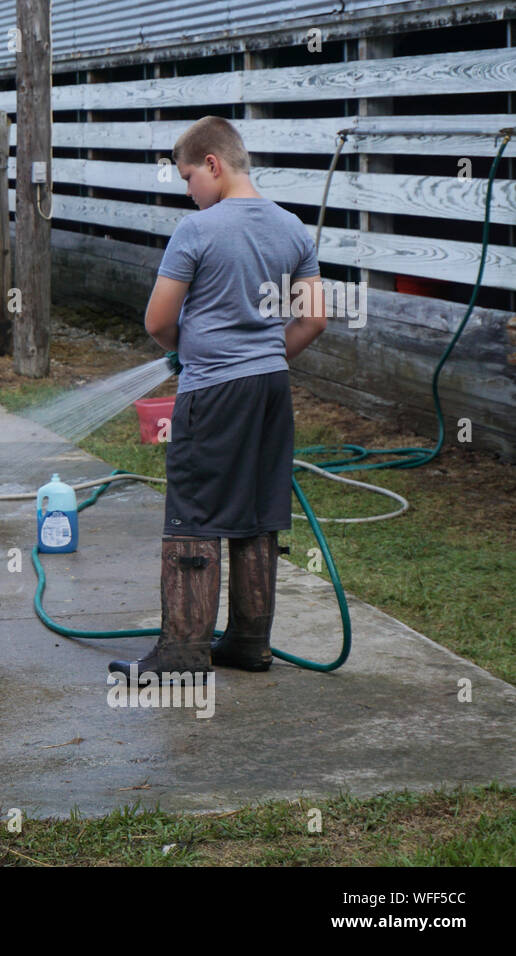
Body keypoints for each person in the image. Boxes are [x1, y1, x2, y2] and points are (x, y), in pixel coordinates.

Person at [110, 116, 328, 681]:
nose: (188, 192)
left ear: (212, 164)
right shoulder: (293, 229)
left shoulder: (197, 231)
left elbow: (158, 320)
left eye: (187, 177)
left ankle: (182, 653)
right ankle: (250, 643)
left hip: (213, 392)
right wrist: (266, 358)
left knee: (195, 513)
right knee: (257, 512)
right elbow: (316, 319)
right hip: (272, 390)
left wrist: (195, 353)